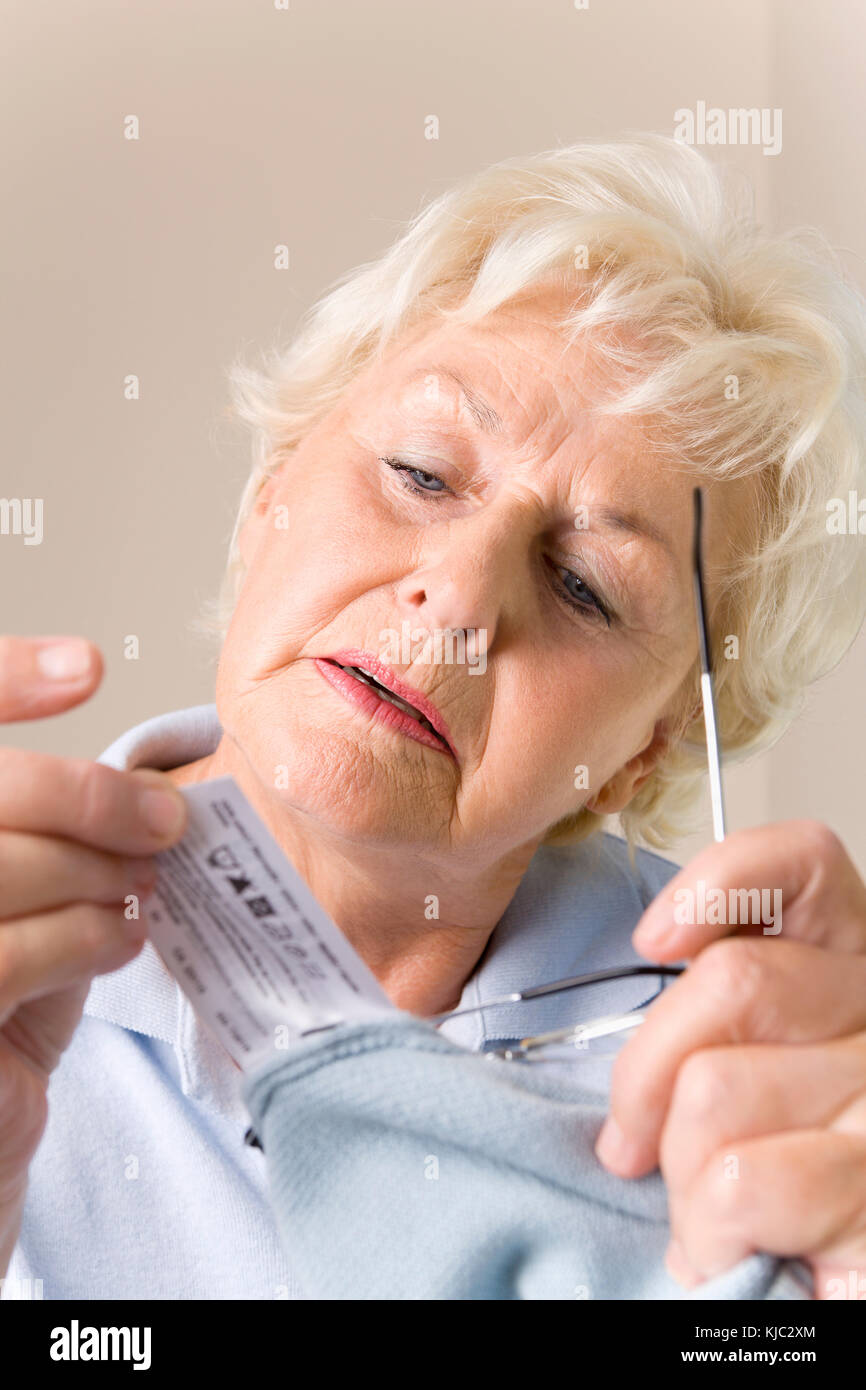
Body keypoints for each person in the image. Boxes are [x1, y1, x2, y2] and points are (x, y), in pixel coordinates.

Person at [2, 135, 866, 1301]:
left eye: (583, 586)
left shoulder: (755, 1073)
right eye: (418, 470)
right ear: (272, 493)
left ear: (640, 752)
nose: (457, 600)